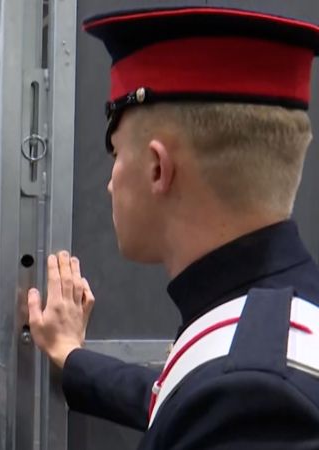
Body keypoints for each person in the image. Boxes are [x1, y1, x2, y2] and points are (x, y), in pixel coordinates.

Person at [27, 6, 319, 449]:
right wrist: (72, 357)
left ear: (158, 168)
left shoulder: (258, 398)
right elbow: (181, 397)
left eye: (117, 156)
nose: (109, 182)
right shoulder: (278, 323)